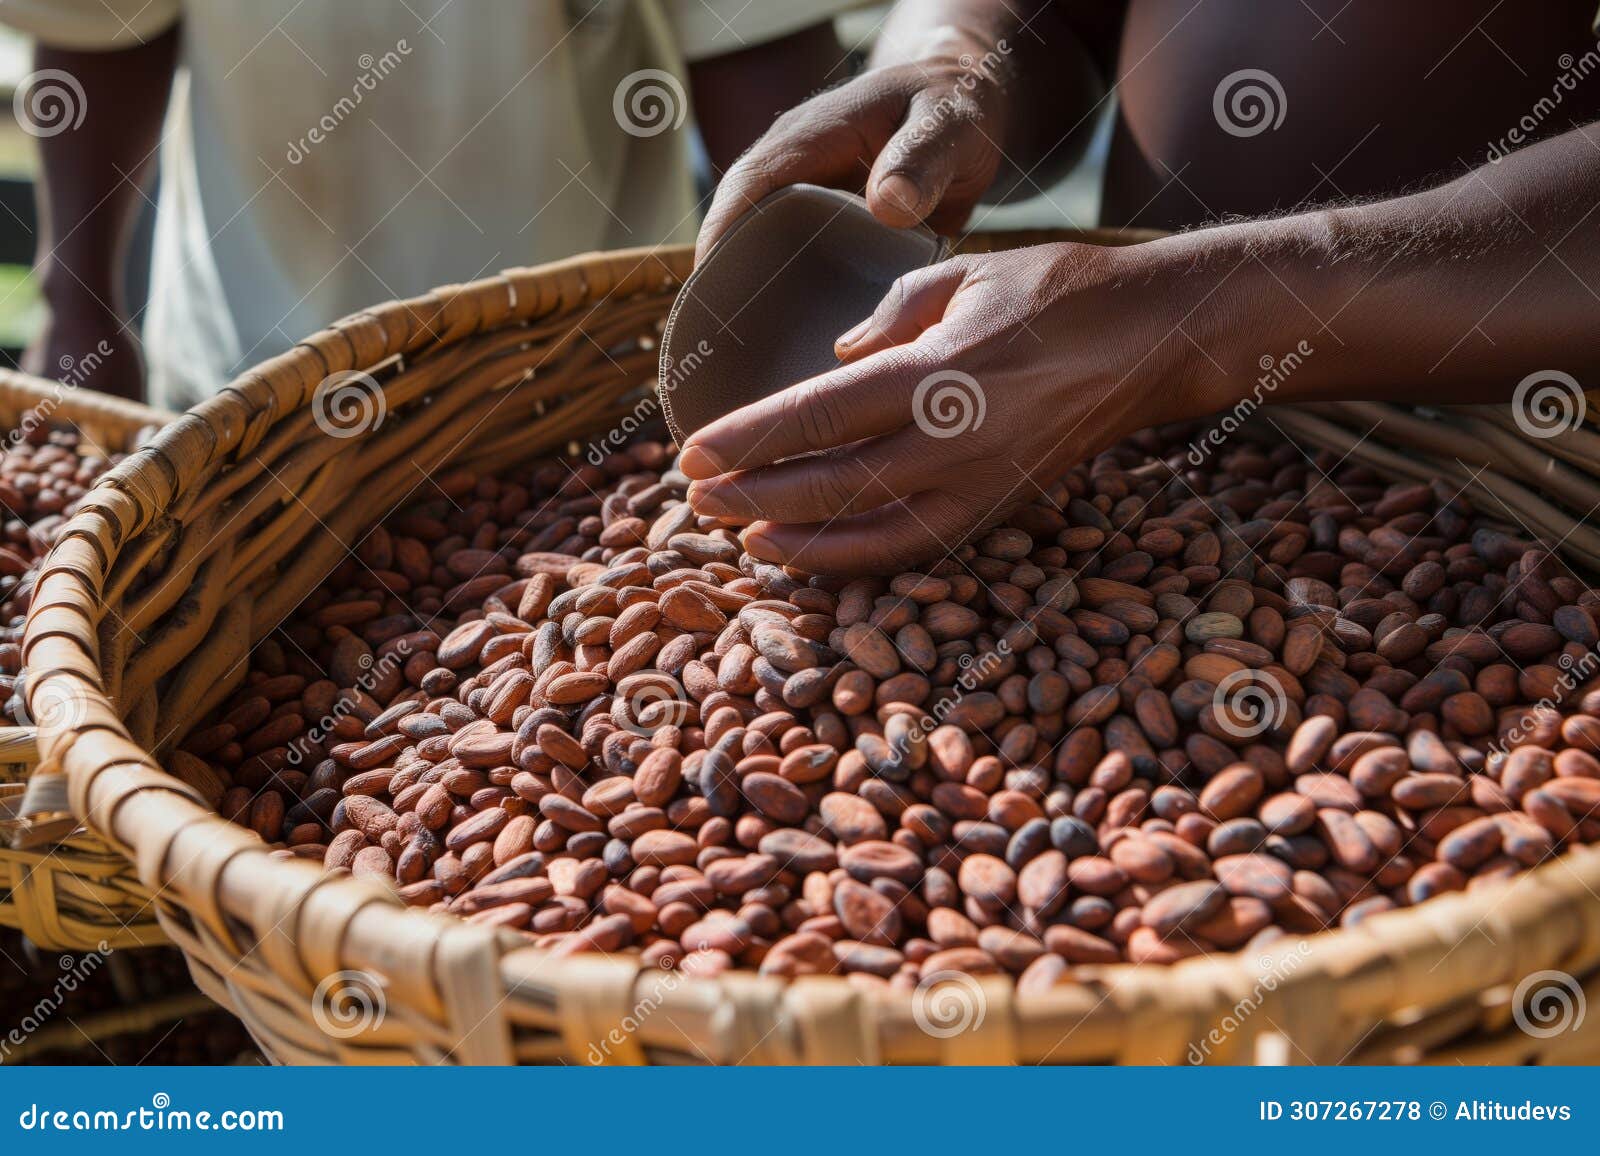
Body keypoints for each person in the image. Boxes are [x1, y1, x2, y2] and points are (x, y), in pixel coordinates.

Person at [680, 0, 1600, 575]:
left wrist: (1188, 320)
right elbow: (1064, 20)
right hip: (1144, 432)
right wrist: (959, 64)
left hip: (1511, 466)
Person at [4, 0, 858, 409]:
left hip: (587, 382)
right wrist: (78, 308)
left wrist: (802, 323)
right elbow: (103, 26)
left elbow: (758, 35)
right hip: (247, 378)